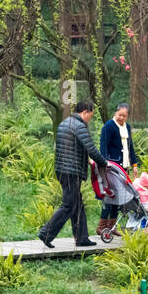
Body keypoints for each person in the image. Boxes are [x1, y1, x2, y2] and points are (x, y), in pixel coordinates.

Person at [38, 100, 104, 248]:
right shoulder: (79, 126)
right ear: (85, 112)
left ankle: (82, 238)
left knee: (78, 205)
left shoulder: (65, 123)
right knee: (68, 205)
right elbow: (91, 149)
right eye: (90, 115)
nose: (90, 119)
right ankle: (46, 233)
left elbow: (71, 147)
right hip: (71, 172)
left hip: (62, 169)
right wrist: (104, 163)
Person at [97, 104, 135, 238]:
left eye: (124, 116)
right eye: (120, 115)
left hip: (124, 167)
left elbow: (131, 147)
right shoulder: (109, 126)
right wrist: (104, 163)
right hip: (111, 167)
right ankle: (102, 226)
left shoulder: (127, 127)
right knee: (110, 195)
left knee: (119, 197)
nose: (121, 118)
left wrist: (134, 164)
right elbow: (103, 146)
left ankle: (112, 227)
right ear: (115, 113)